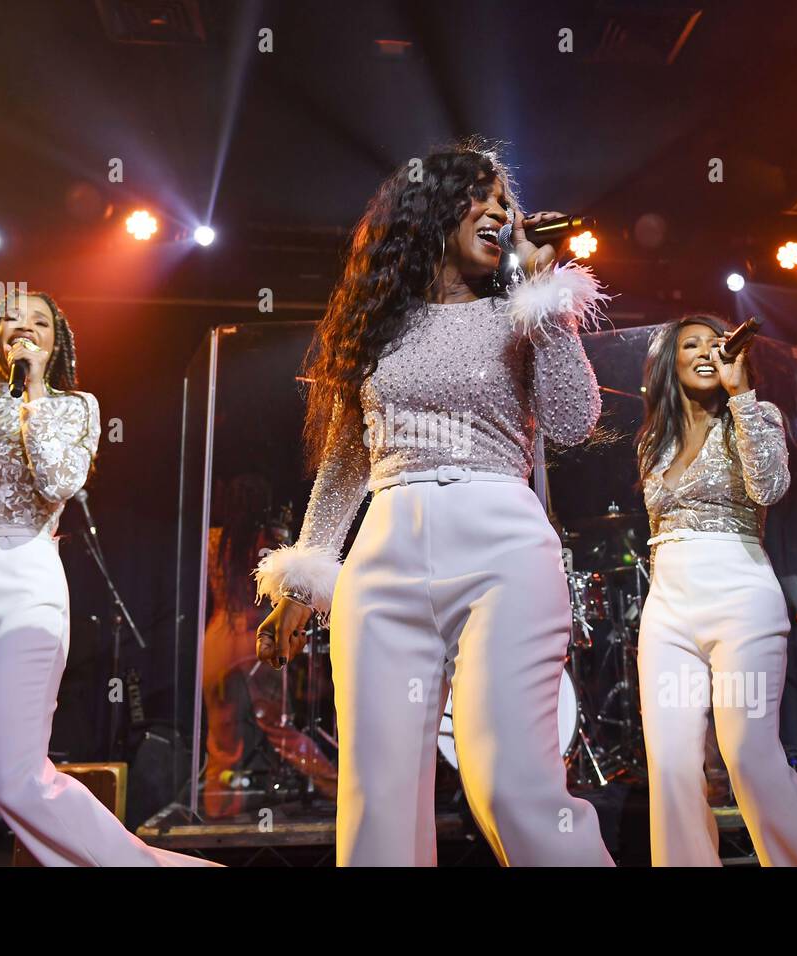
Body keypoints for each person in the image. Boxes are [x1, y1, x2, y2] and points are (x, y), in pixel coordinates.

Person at [254, 141, 615, 866]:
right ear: (429, 211)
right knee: (377, 800)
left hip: (502, 547)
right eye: (478, 197)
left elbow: (575, 420)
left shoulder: (519, 315)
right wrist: (303, 576)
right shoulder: (374, 328)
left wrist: (543, 300)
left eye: (503, 202)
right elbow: (347, 459)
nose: (498, 211)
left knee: (515, 786)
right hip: (384, 552)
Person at [0, 291, 214, 867]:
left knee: (14, 780)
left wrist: (32, 393)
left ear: (56, 342)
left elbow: (57, 483)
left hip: (20, 591)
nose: (24, 327)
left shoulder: (74, 406)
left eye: (40, 322)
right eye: (11, 318)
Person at [634, 314, 797, 866]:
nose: (706, 351)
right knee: (674, 765)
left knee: (747, 755)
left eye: (715, 342)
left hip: (741, 602)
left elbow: (770, 486)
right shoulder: (654, 440)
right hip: (669, 611)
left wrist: (742, 395)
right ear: (669, 363)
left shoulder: (753, 417)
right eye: (691, 344)